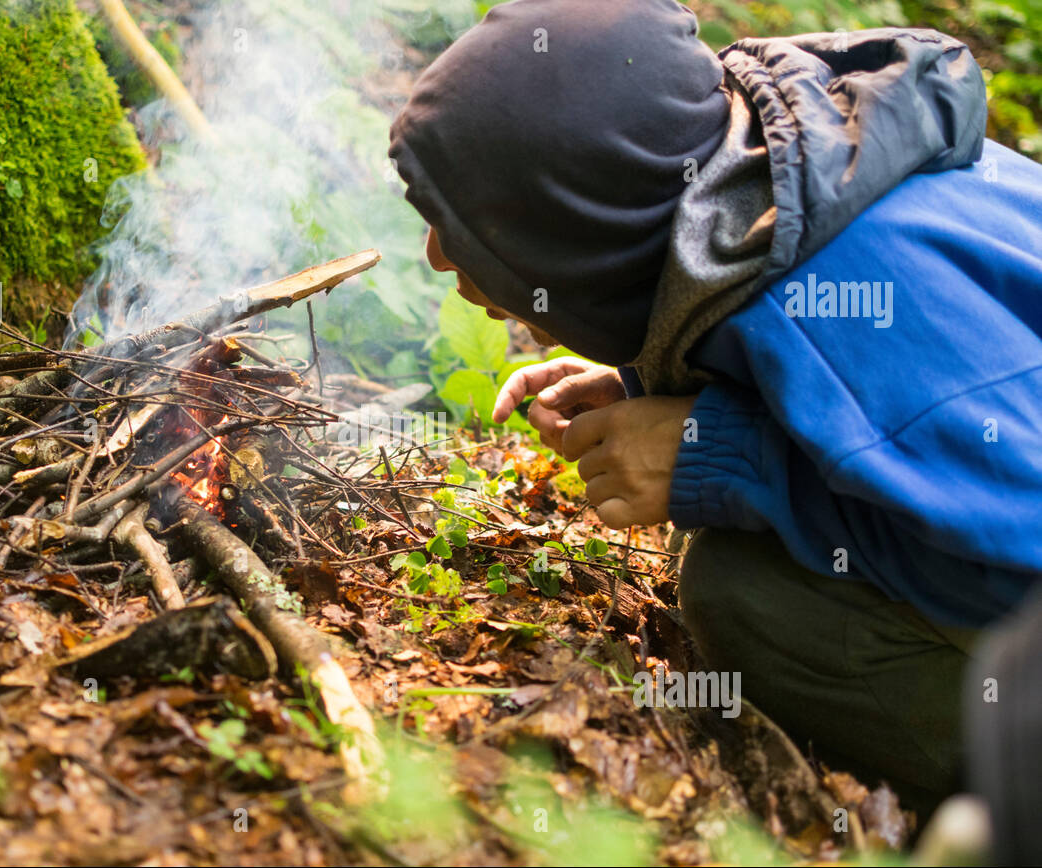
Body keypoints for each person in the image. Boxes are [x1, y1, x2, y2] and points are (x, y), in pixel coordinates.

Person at [389, 0, 1042, 817]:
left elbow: (1019, 567)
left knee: (746, 597)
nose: (437, 256)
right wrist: (648, 387)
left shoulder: (847, 307)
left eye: (464, 227)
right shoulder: (789, 173)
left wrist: (726, 457)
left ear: (581, 228)